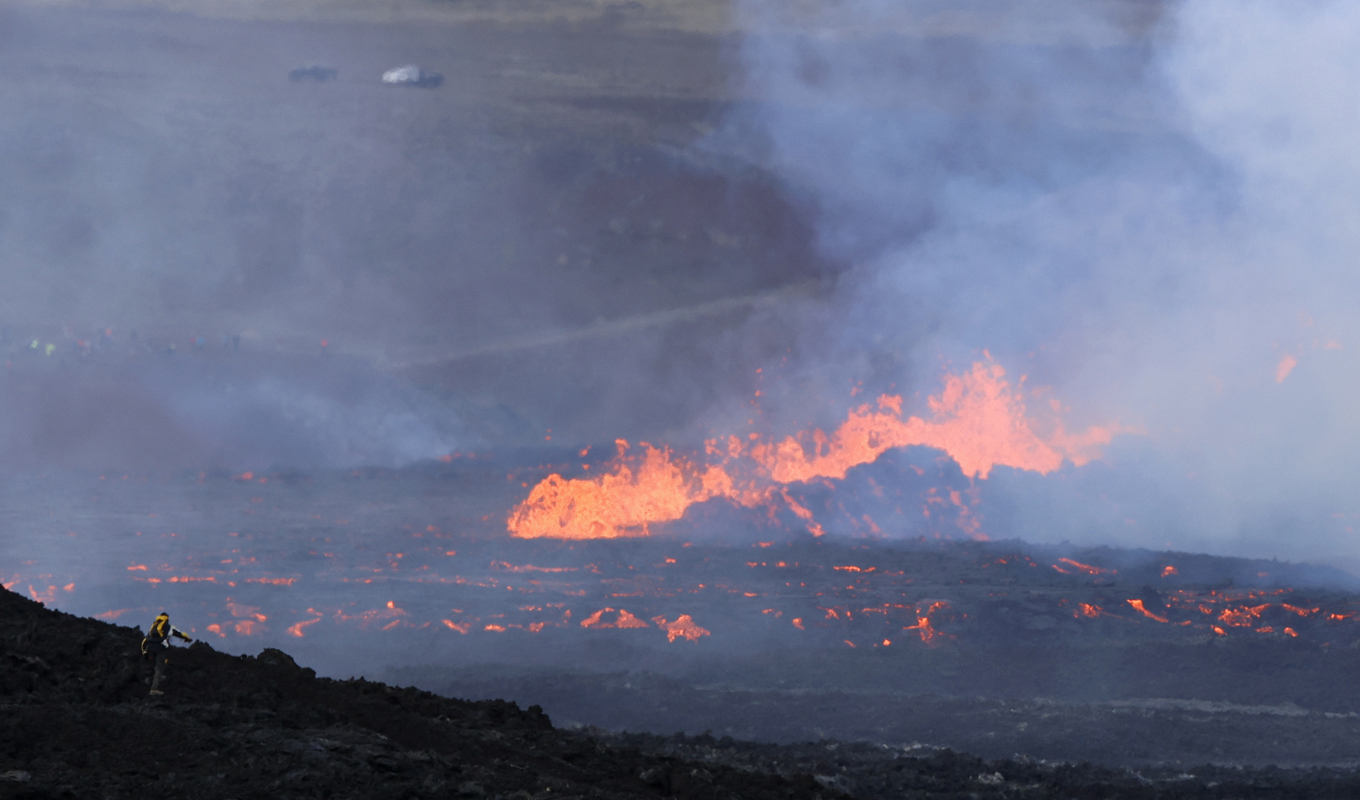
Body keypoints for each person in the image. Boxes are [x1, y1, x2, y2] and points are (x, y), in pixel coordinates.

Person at [141, 612, 193, 696]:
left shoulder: (153, 626)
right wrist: (187, 638)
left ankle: (152, 680)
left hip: (150, 648)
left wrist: (144, 652)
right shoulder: (167, 627)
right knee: (159, 666)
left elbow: (145, 640)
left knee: (153, 664)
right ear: (167, 618)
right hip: (160, 648)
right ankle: (154, 688)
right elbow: (180, 633)